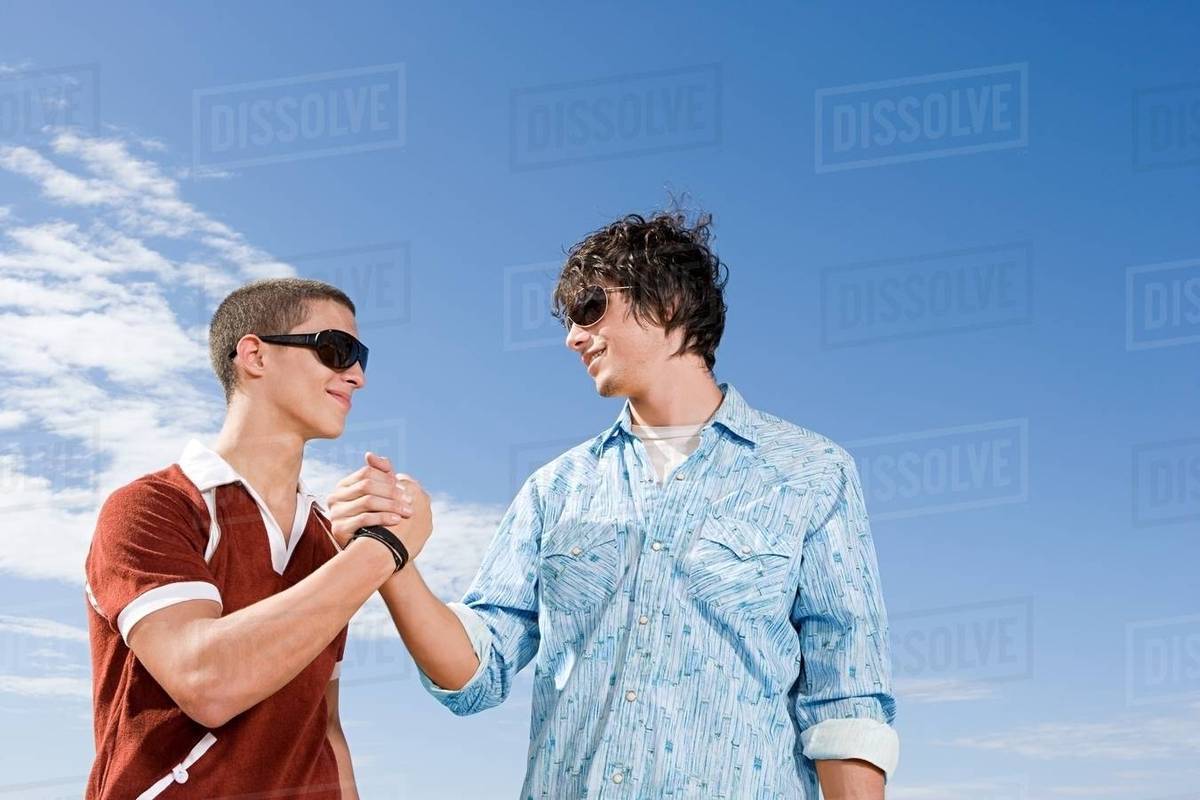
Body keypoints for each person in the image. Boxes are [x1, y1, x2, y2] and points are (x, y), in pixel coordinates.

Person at [329, 210, 898, 798]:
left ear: (669, 303)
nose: (571, 337)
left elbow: (846, 698)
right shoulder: (555, 489)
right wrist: (389, 555)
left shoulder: (813, 472)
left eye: (589, 308)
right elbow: (477, 677)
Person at [83, 278, 431, 799]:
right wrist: (384, 550)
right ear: (255, 355)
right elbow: (207, 682)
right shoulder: (152, 506)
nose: (355, 375)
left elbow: (325, 725)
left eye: (362, 358)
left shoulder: (323, 542)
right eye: (338, 350)